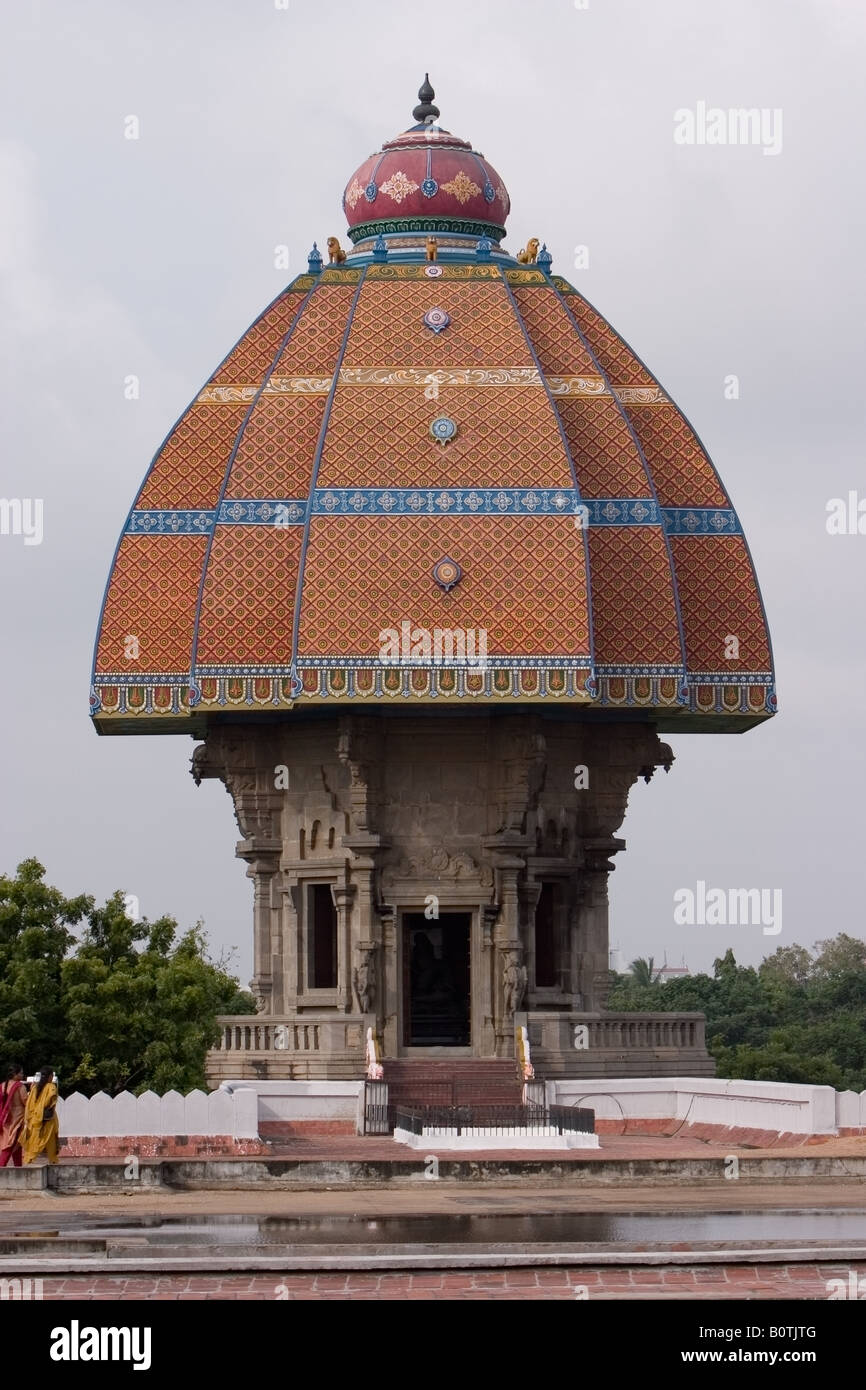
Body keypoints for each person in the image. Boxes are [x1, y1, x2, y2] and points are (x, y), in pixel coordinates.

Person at [20, 1067, 59, 1166]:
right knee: (51, 1142)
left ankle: (28, 1160)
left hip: (35, 1119)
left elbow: (30, 1104)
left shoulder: (35, 1088)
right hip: (48, 1119)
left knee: (34, 1140)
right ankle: (53, 1161)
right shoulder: (51, 1087)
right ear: (50, 1076)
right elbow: (50, 1101)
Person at [0, 1063, 28, 1168]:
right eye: (21, 1073)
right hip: (17, 1118)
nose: (22, 1075)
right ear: (15, 1074)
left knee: (16, 1144)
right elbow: (26, 1101)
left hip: (5, 1119)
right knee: (9, 1145)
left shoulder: (2, 1085)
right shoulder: (19, 1086)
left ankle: (18, 1167)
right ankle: (1, 1167)